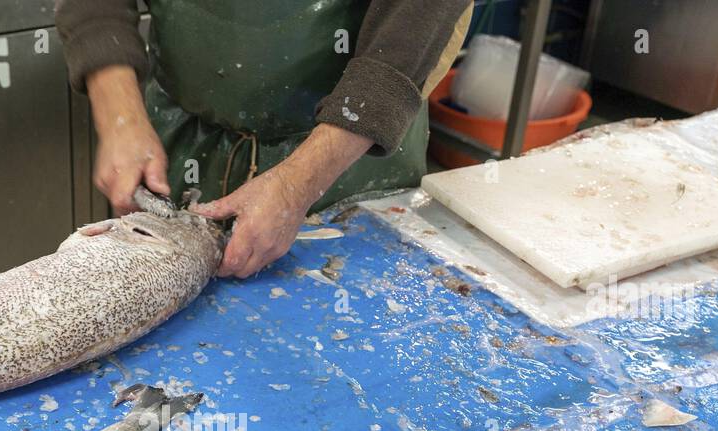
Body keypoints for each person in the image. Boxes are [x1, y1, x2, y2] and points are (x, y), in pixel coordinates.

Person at [57, 0, 473, 278]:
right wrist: (120, 117)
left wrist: (302, 181)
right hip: (182, 143)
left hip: (352, 157)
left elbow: (422, 14)